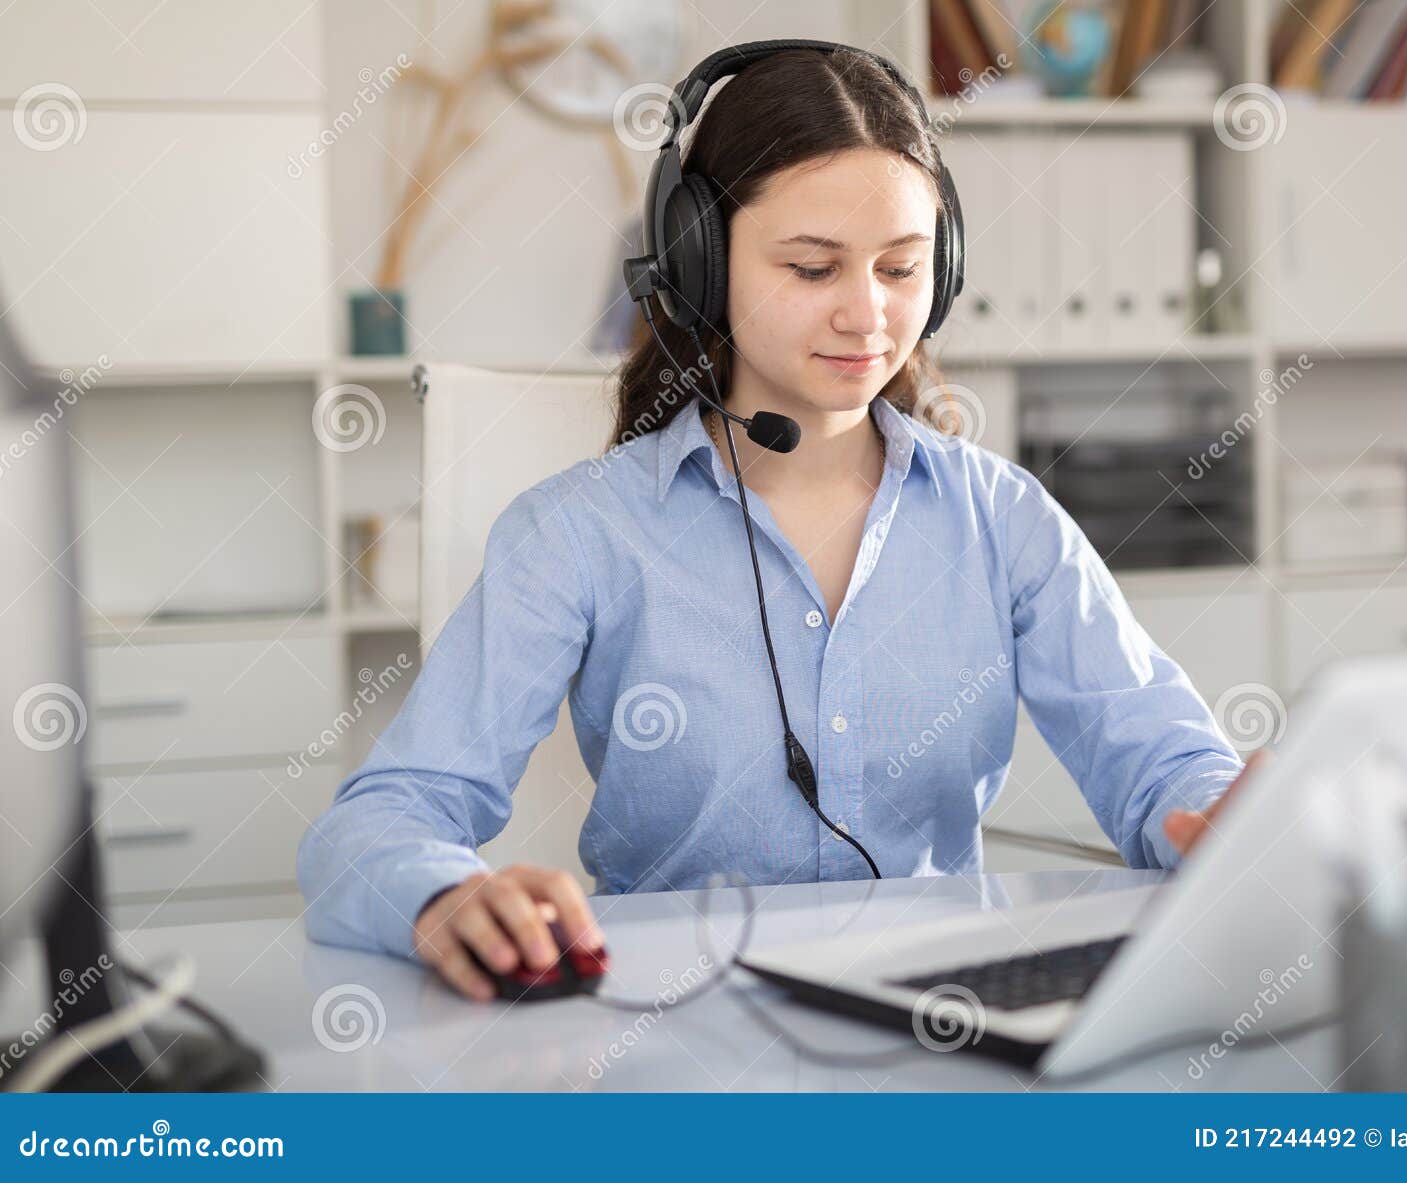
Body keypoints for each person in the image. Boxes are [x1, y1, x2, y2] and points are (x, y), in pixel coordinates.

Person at [296, 46, 1257, 1003]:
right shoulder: (581, 533)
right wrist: (443, 895)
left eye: (901, 267)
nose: (868, 314)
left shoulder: (1002, 519)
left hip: (940, 1030)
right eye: (812, 267)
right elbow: (378, 822)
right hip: (670, 1033)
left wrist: (1222, 814)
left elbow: (1164, 763)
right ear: (700, 261)